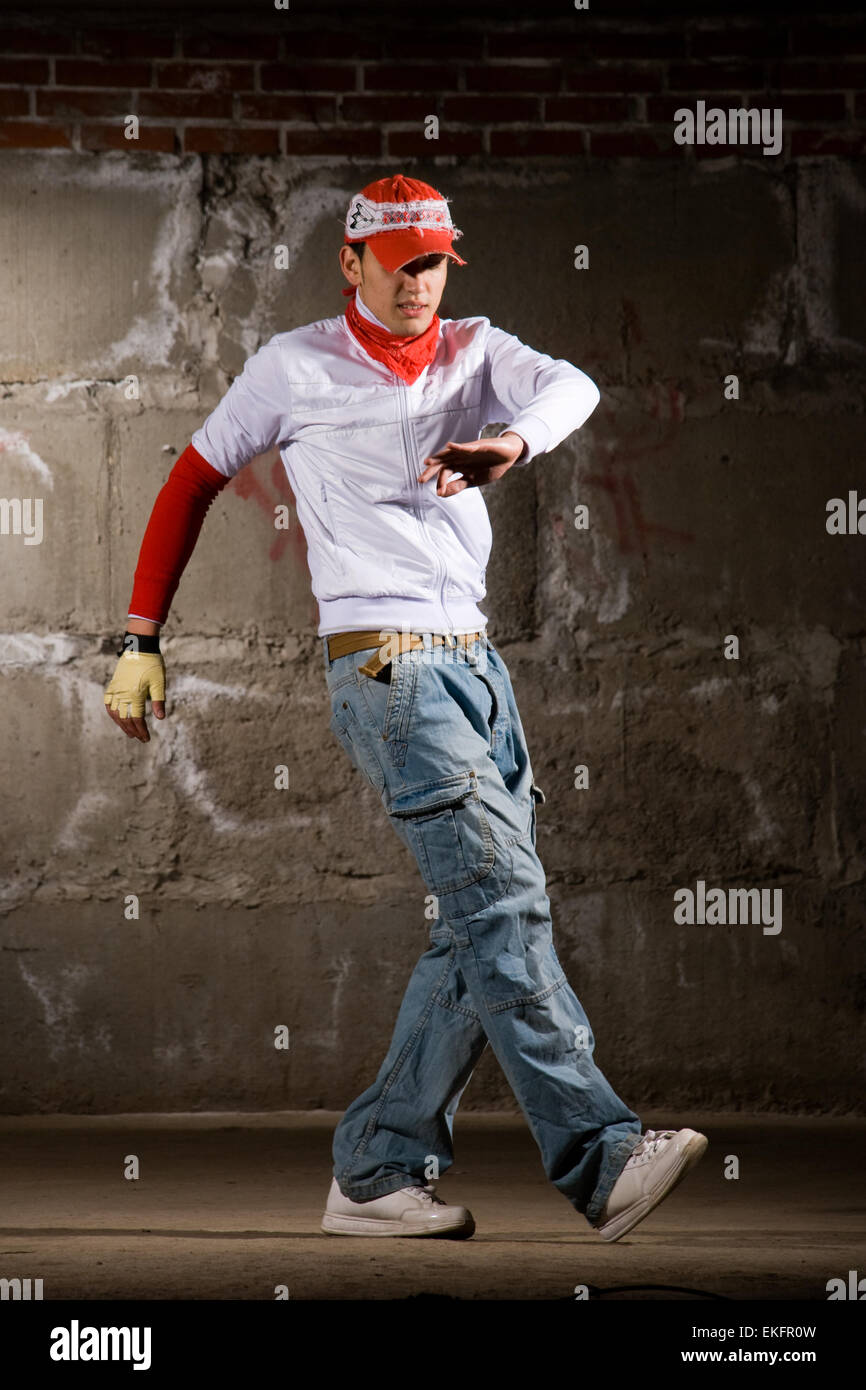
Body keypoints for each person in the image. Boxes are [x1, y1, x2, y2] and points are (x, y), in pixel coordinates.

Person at [104, 173, 707, 1243]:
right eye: (399, 265)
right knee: (504, 903)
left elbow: (571, 386)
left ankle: (377, 1170)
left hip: (473, 666)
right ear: (352, 264)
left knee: (475, 924)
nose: (419, 283)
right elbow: (189, 479)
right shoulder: (293, 366)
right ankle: (602, 1157)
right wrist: (141, 638)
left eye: (433, 262)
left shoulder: (476, 348)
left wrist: (507, 445)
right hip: (386, 670)